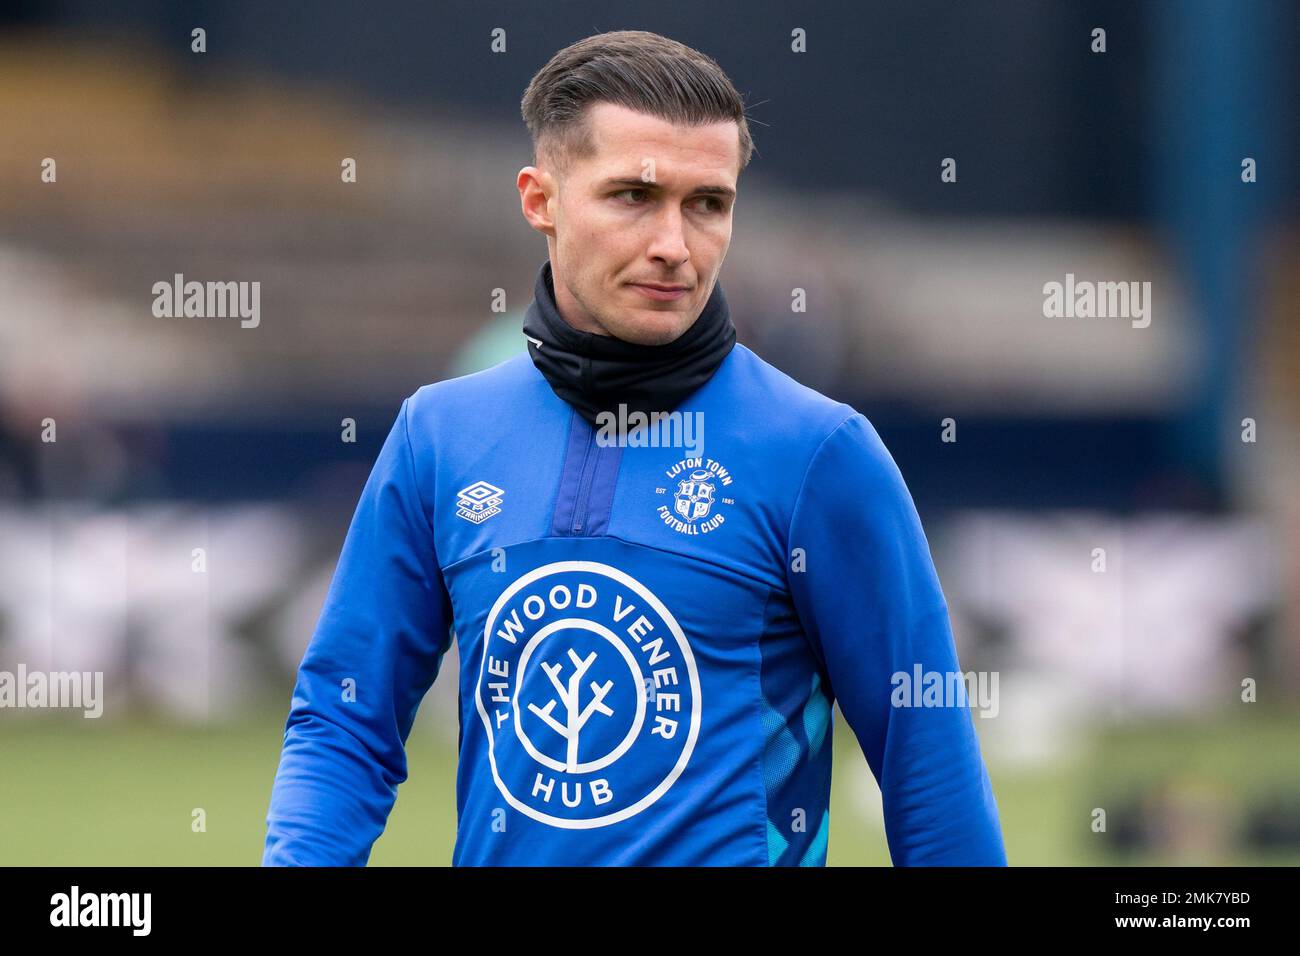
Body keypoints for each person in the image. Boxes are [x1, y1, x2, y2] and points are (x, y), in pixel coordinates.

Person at [262, 29, 1006, 866]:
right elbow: (344, 719)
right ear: (540, 199)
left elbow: (929, 764)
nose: (674, 246)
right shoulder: (439, 435)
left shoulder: (819, 454)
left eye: (707, 204)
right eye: (632, 197)